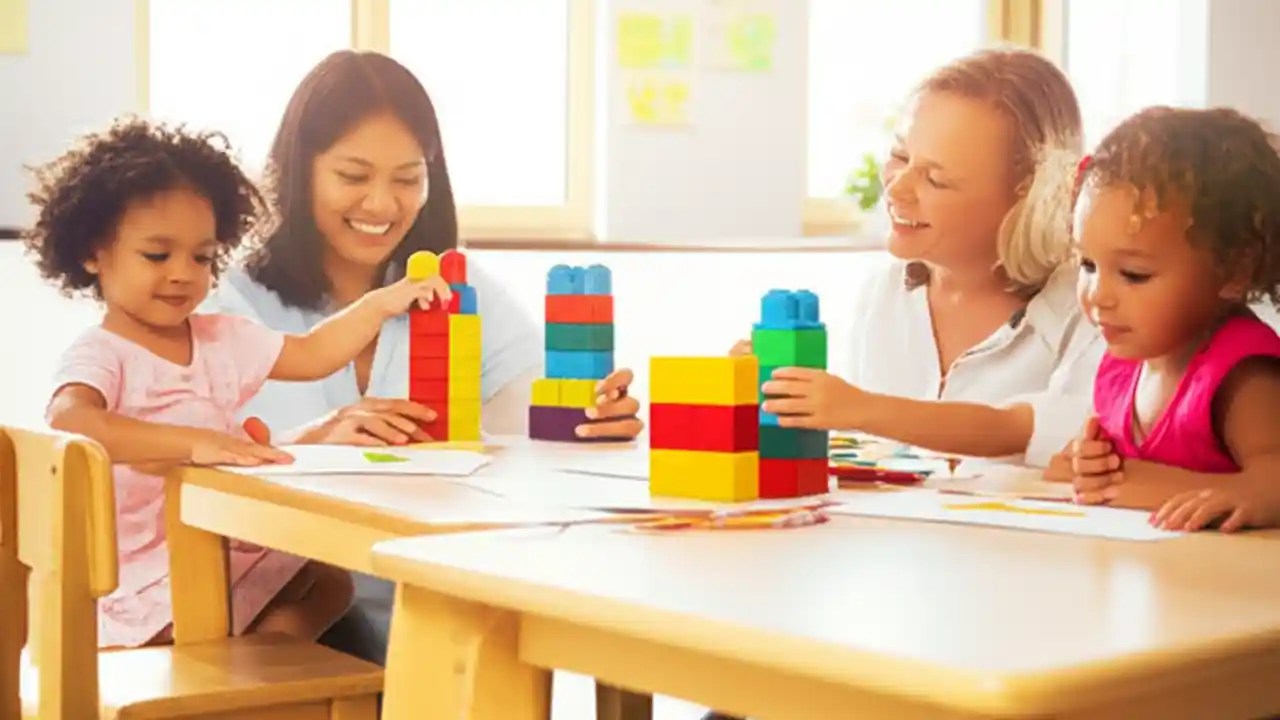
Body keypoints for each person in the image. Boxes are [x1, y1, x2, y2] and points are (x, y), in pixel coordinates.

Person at [202, 50, 644, 663]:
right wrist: (313, 439)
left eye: (408, 178)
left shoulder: (458, 291)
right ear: (300, 173)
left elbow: (531, 412)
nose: (382, 204)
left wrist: (587, 419)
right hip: (290, 615)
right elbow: (197, 470)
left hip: (444, 609)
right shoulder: (231, 302)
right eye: (353, 177)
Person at [24, 117, 450, 648]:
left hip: (216, 540)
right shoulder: (103, 352)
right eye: (157, 255)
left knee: (329, 580)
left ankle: (260, 665)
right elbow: (72, 420)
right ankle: (245, 672)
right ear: (93, 252)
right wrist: (194, 444)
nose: (183, 272)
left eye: (202, 257)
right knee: (282, 590)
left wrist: (382, 304)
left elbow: (313, 352)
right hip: (141, 574)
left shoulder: (221, 338)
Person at [736, 47, 1103, 473]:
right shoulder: (884, 295)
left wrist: (859, 408)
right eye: (900, 156)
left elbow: (1064, 444)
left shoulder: (1091, 313)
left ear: (1030, 199)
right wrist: (771, 403)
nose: (896, 189)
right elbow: (861, 456)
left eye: (936, 179)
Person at [1062, 107, 1280, 533]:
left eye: (1133, 275)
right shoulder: (1123, 364)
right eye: (1087, 265)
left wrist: (1249, 493)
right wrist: (1089, 463)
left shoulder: (1242, 376)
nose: (1098, 295)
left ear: (1234, 270)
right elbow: (1120, 475)